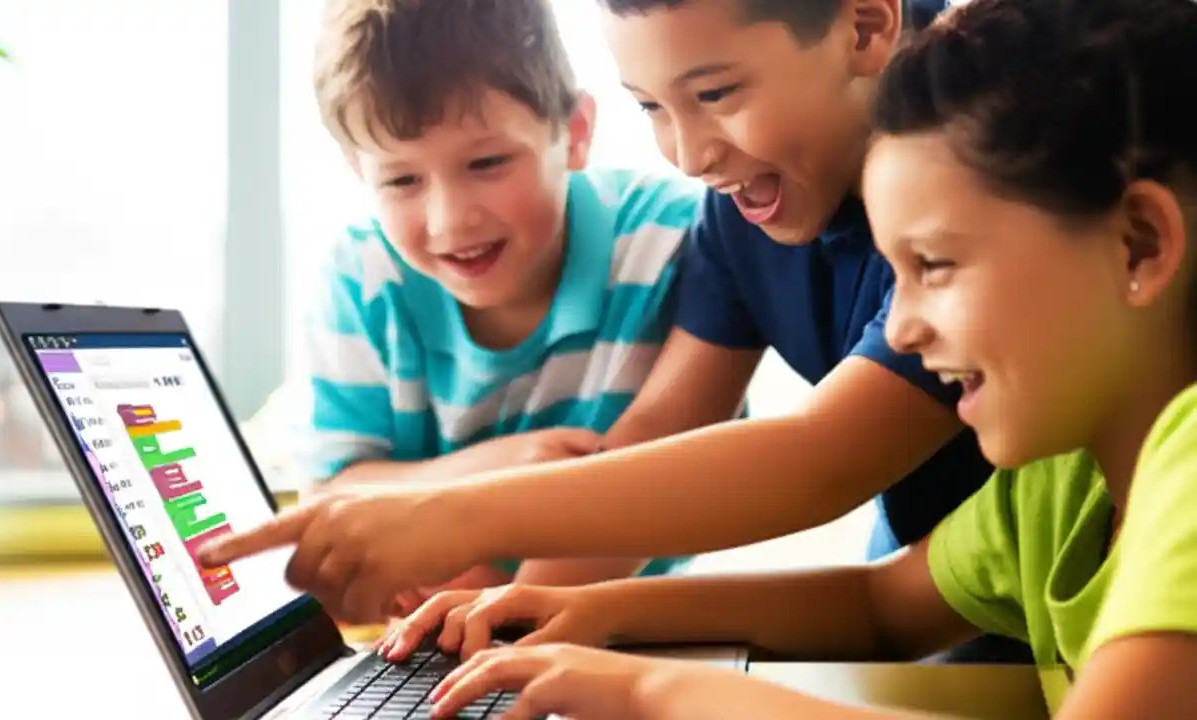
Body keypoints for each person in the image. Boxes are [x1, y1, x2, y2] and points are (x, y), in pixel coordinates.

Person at [367, 0, 1197, 717]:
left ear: (1139, 243)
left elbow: (815, 460)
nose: (899, 330)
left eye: (934, 267)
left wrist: (659, 692)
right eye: (651, 106)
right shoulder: (1050, 485)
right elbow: (878, 606)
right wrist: (583, 612)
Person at [204, 0, 1014, 658]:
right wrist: (511, 619)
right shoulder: (734, 219)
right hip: (943, 583)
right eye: (652, 106)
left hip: (1021, 580)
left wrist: (455, 512)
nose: (688, 154)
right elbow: (655, 438)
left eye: (717, 93)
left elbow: (819, 458)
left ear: (867, 25)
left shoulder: (976, 169)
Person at [295, 0, 702, 605]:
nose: (451, 222)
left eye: (487, 163)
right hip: (435, 637)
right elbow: (329, 498)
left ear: (577, 134)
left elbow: (674, 484)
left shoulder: (670, 241)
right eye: (402, 180)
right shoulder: (362, 277)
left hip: (627, 625)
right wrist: (508, 465)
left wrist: (499, 589)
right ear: (359, 172)